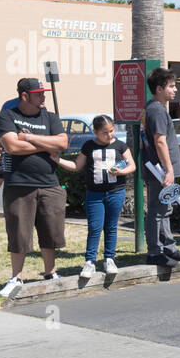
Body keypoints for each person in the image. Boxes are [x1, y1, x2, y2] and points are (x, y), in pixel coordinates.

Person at [0, 78, 68, 298]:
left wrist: (28, 137)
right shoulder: (8, 116)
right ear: (24, 96)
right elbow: (11, 146)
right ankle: (16, 277)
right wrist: (46, 144)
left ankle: (50, 273)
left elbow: (63, 144)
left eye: (43, 93)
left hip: (49, 184)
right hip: (19, 185)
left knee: (51, 232)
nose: (43, 97)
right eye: (38, 94)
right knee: (19, 234)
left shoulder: (50, 117)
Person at [58, 115, 134, 279]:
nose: (110, 135)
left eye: (112, 131)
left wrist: (122, 171)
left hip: (116, 191)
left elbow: (132, 165)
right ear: (95, 132)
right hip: (95, 194)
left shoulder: (121, 146)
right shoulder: (89, 146)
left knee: (111, 227)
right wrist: (57, 160)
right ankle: (90, 261)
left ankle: (109, 259)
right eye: (105, 132)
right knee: (94, 227)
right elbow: (77, 165)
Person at [141, 66, 180, 268]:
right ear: (159, 89)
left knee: (165, 209)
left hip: (162, 171)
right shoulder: (156, 111)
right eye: (171, 86)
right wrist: (168, 170)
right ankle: (155, 252)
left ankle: (169, 247)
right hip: (160, 172)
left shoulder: (156, 109)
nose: (175, 90)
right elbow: (160, 141)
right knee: (157, 211)